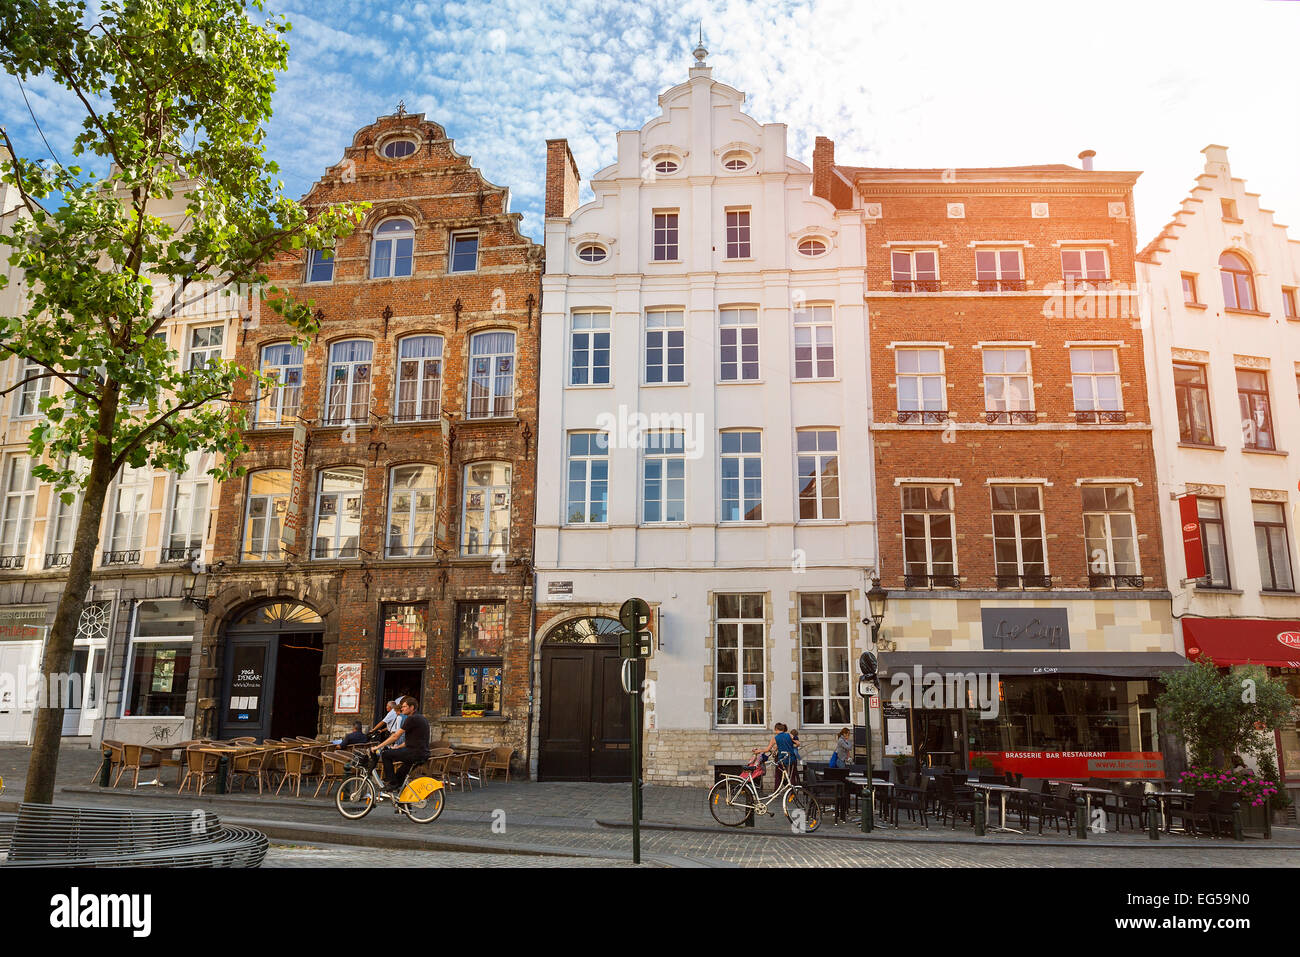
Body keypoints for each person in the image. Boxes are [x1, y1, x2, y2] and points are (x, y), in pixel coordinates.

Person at [371, 696, 430, 795]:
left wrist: (378, 747)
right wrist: (398, 747)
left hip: (414, 753)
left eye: (404, 706)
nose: (402, 708)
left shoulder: (411, 719)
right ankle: (402, 803)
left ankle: (392, 783)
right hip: (422, 753)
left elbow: (395, 736)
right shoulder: (421, 718)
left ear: (412, 708)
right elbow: (412, 740)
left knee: (386, 754)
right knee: (399, 775)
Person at [753, 722, 798, 792]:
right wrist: (794, 744)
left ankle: (776, 791)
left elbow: (767, 749)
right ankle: (793, 793)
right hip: (791, 758)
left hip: (781, 759)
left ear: (776, 729)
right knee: (792, 776)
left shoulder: (775, 738)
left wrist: (759, 751)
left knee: (778, 776)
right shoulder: (789, 735)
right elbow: (798, 743)